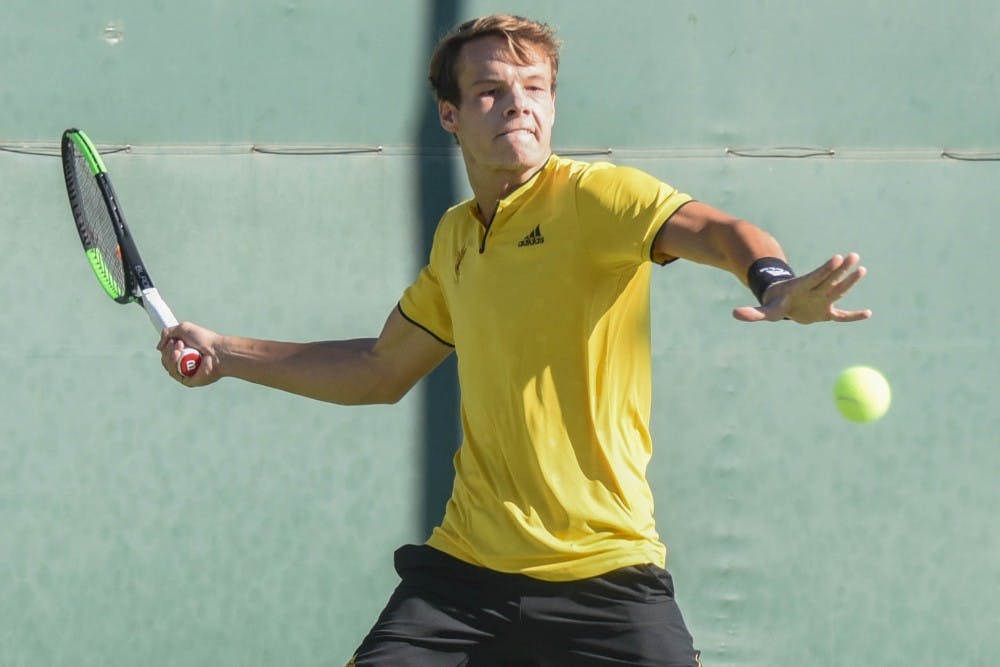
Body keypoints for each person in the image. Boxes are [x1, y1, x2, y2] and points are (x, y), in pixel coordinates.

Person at [159, 14, 871, 667]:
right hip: (464, 576)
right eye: (491, 91)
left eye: (535, 88)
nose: (518, 103)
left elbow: (718, 232)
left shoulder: (596, 197)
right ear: (451, 114)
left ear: (554, 106)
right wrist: (226, 353)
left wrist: (774, 283)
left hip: (608, 573)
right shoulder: (457, 238)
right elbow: (380, 369)